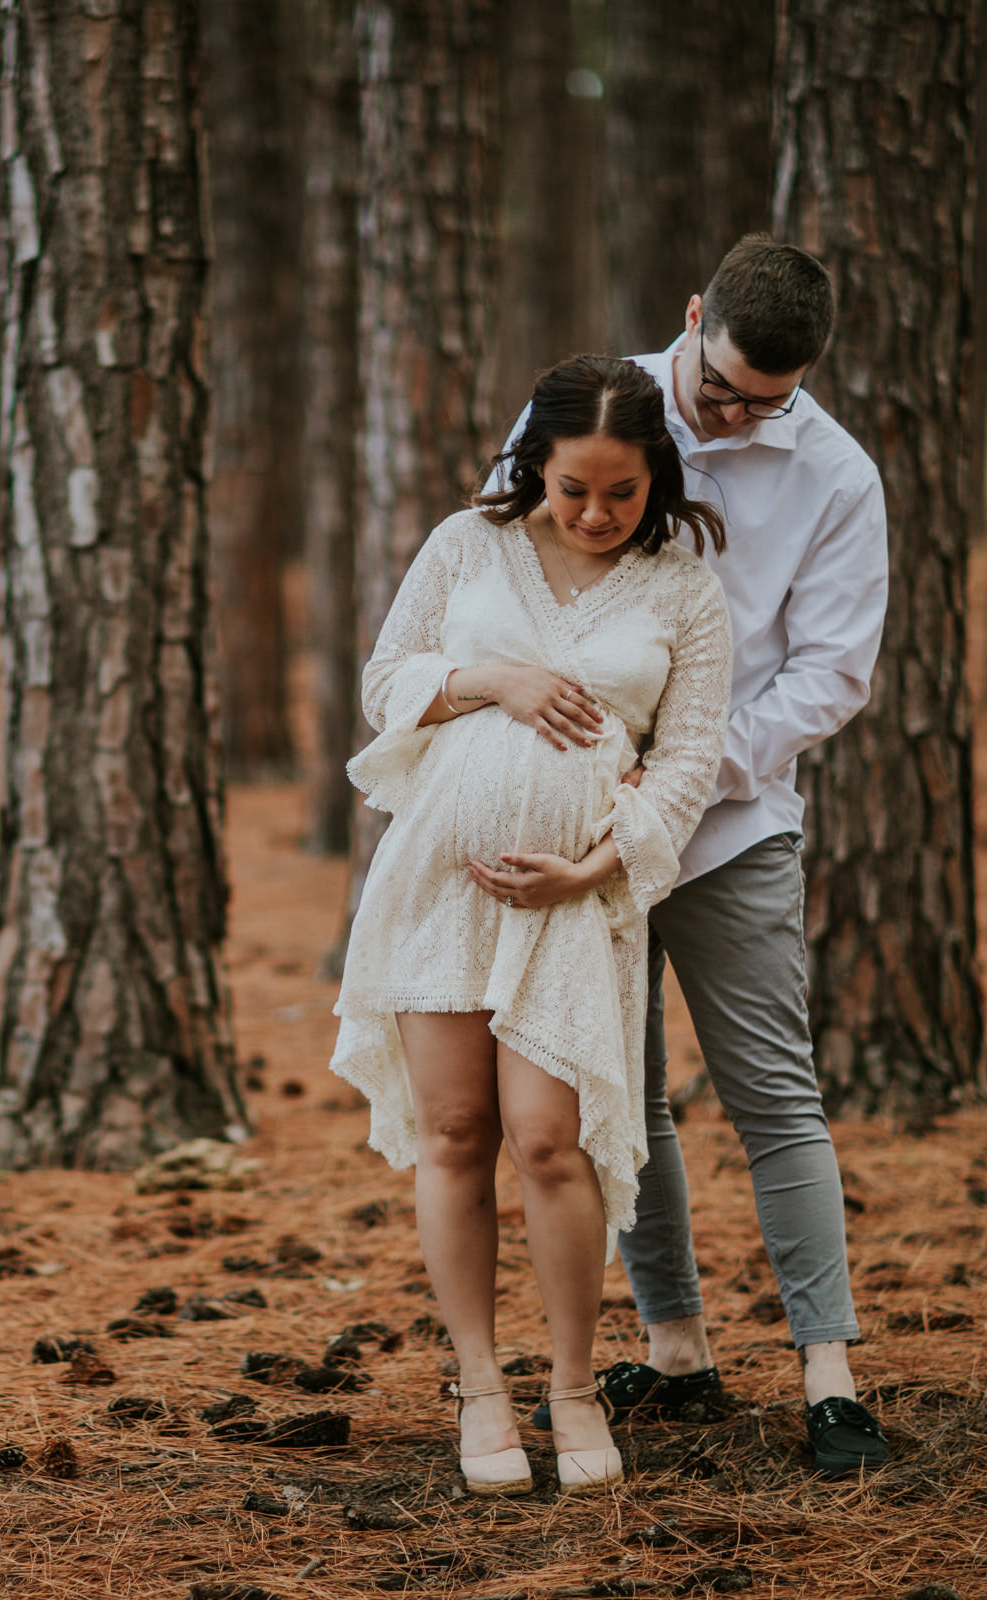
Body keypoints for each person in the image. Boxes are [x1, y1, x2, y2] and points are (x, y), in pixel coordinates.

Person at [488, 235, 893, 1476]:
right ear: (693, 313)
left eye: (766, 401)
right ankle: (676, 1350)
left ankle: (830, 1374)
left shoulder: (836, 477)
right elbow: (504, 570)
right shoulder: (591, 413)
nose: (732, 415)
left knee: (774, 1092)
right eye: (719, 388)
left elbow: (831, 674)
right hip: (575, 828)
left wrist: (678, 776)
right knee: (629, 1096)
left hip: (729, 828)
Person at [330, 356, 733, 1496]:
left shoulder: (684, 591)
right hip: (439, 885)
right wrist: (493, 680)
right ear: (536, 470)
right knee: (456, 1130)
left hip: (573, 902)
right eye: (573, 489)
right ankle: (479, 1387)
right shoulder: (468, 544)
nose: (597, 513)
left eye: (623, 492)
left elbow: (688, 764)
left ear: (656, 476)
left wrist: (592, 870)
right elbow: (386, 681)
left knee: (551, 1142)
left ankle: (572, 1385)